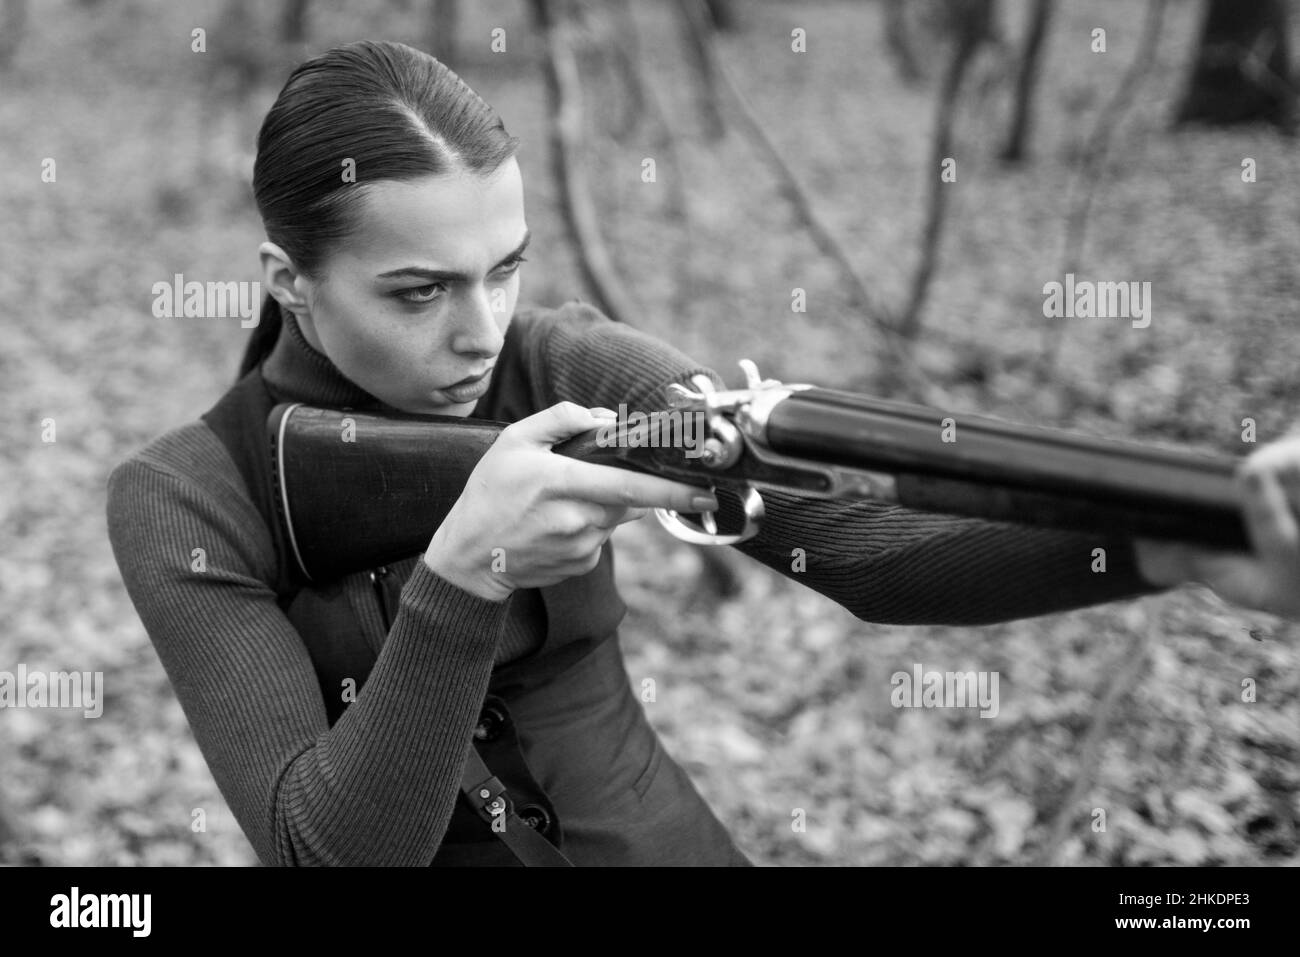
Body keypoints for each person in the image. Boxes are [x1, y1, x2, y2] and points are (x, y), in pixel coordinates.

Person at [106, 40, 1300, 867]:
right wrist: (460, 579)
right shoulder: (185, 499)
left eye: (506, 266)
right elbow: (322, 851)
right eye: (417, 290)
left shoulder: (569, 365)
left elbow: (864, 554)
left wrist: (1159, 539)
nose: (480, 330)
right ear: (287, 282)